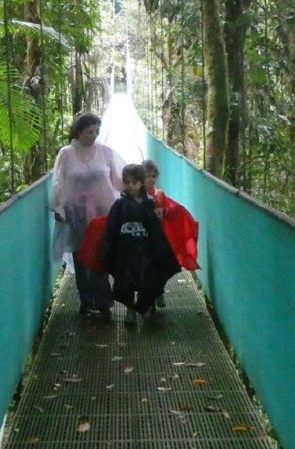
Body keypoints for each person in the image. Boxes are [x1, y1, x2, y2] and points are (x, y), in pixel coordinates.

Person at [51, 113, 125, 320]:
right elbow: (59, 183)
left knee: (100, 254)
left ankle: (103, 302)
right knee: (81, 256)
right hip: (76, 214)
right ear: (78, 132)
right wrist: (59, 208)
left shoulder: (105, 152)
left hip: (102, 213)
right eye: (89, 132)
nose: (93, 136)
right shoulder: (66, 154)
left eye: (96, 131)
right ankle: (86, 300)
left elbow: (118, 180)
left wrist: (138, 194)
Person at [99, 164, 180, 327]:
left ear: (141, 183)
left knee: (147, 279)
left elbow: (155, 230)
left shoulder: (148, 204)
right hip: (126, 252)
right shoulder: (119, 205)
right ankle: (130, 310)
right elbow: (111, 229)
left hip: (145, 251)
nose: (130, 186)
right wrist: (107, 250)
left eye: (134, 182)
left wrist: (160, 250)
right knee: (126, 281)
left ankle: (145, 308)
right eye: (127, 182)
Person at [142, 159, 200, 307]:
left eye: (153, 176)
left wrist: (165, 211)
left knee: (160, 265)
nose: (151, 179)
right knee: (147, 267)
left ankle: (158, 292)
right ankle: (151, 296)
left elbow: (172, 210)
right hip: (143, 238)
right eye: (147, 176)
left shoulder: (159, 194)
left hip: (159, 238)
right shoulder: (137, 195)